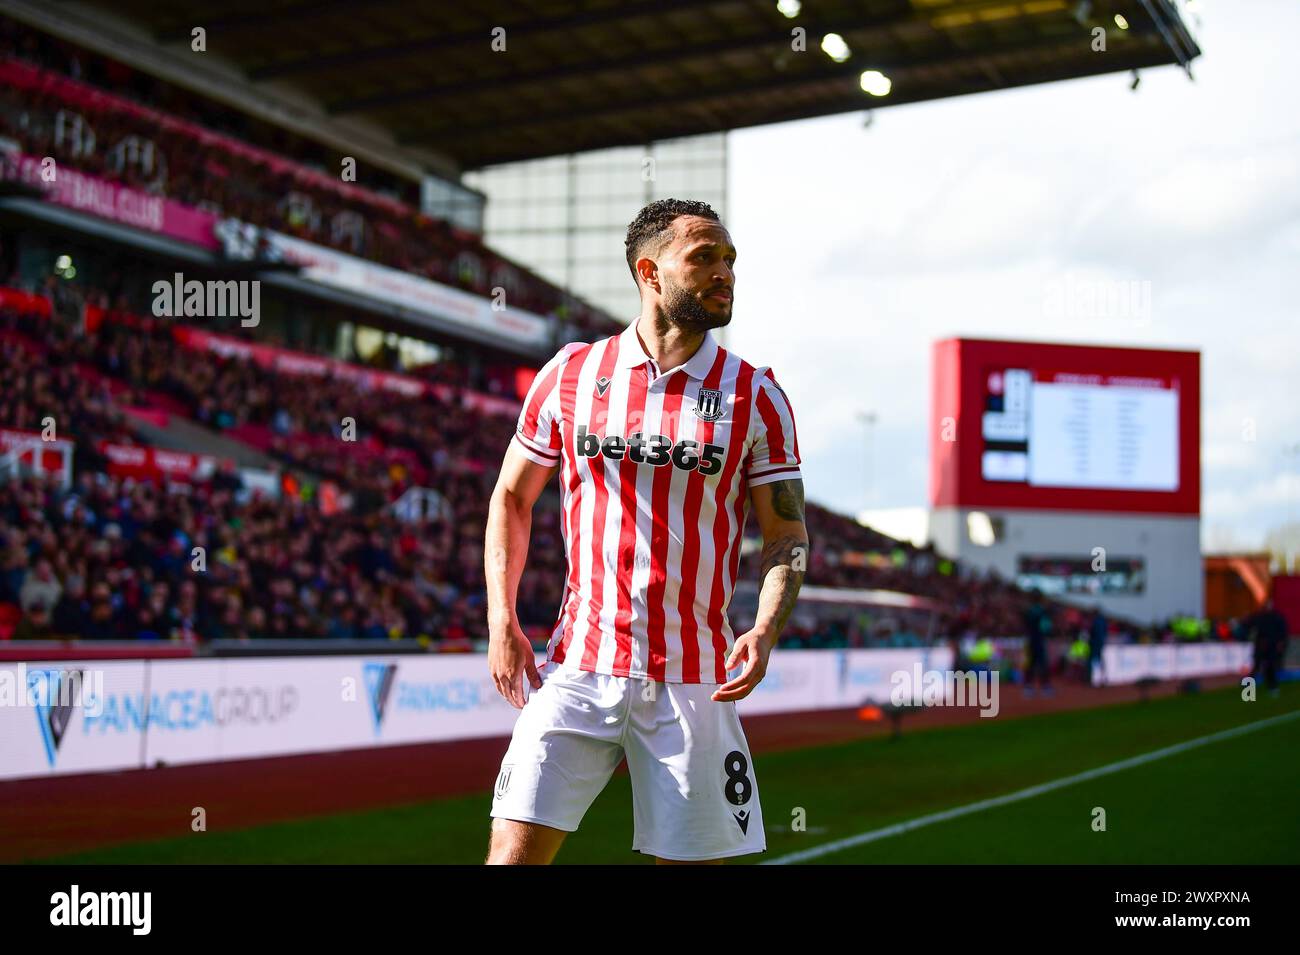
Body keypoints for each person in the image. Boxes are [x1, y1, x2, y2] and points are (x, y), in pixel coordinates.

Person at [483, 198, 808, 865]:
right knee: (512, 855)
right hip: (576, 669)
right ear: (650, 272)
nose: (726, 273)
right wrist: (501, 617)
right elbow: (513, 497)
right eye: (705, 258)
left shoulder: (755, 396)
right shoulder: (570, 375)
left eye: (730, 260)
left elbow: (785, 531)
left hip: (695, 680)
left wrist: (766, 627)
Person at [1246, 598, 1289, 698]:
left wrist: (1280, 643)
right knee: (1256, 667)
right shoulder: (1259, 616)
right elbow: (1249, 625)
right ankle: (1248, 691)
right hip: (1261, 646)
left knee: (1270, 668)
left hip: (1270, 647)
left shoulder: (1277, 617)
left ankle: (1272, 688)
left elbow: (1283, 632)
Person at [1023, 590, 1053, 697]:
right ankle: (1046, 687)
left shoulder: (1029, 611)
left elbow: (1025, 626)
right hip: (1039, 640)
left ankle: (1028, 688)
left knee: (1031, 664)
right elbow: (1047, 627)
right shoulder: (1042, 611)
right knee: (1042, 664)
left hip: (1031, 639)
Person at [1089, 605, 1109, 687]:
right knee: (1100, 660)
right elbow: (1105, 631)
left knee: (1094, 660)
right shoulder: (1102, 620)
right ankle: (1103, 679)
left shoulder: (1096, 620)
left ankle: (1096, 680)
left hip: (1095, 643)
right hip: (1100, 643)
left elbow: (1093, 631)